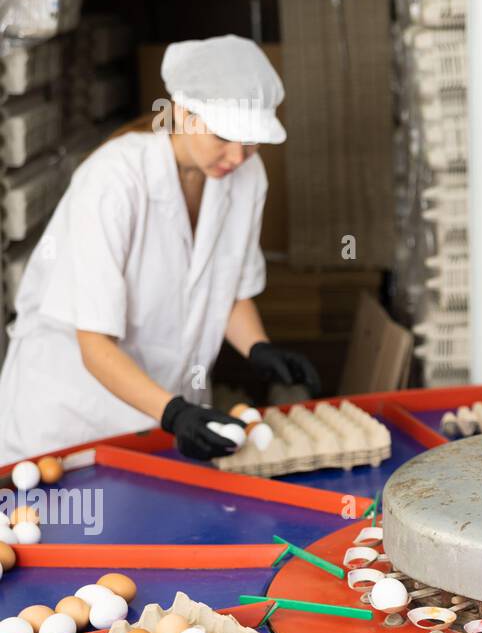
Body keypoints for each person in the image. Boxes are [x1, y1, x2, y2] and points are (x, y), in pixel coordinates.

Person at [0, 35, 321, 462]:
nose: (238, 155)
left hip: (161, 412)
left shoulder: (246, 177)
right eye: (224, 136)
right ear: (184, 114)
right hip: (70, 417)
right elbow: (94, 343)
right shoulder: (113, 181)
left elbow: (227, 290)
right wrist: (174, 413)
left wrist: (258, 347)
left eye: (252, 141)